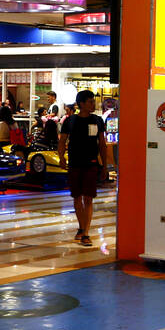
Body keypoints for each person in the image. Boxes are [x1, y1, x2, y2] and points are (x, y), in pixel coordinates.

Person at [58, 89, 111, 247]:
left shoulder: (97, 121)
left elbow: (102, 143)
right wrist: (61, 157)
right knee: (76, 197)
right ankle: (81, 228)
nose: (93, 104)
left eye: (93, 101)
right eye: (90, 102)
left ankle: (85, 232)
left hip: (91, 163)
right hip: (74, 163)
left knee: (88, 198)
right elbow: (62, 141)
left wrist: (105, 166)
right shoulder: (70, 121)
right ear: (81, 104)